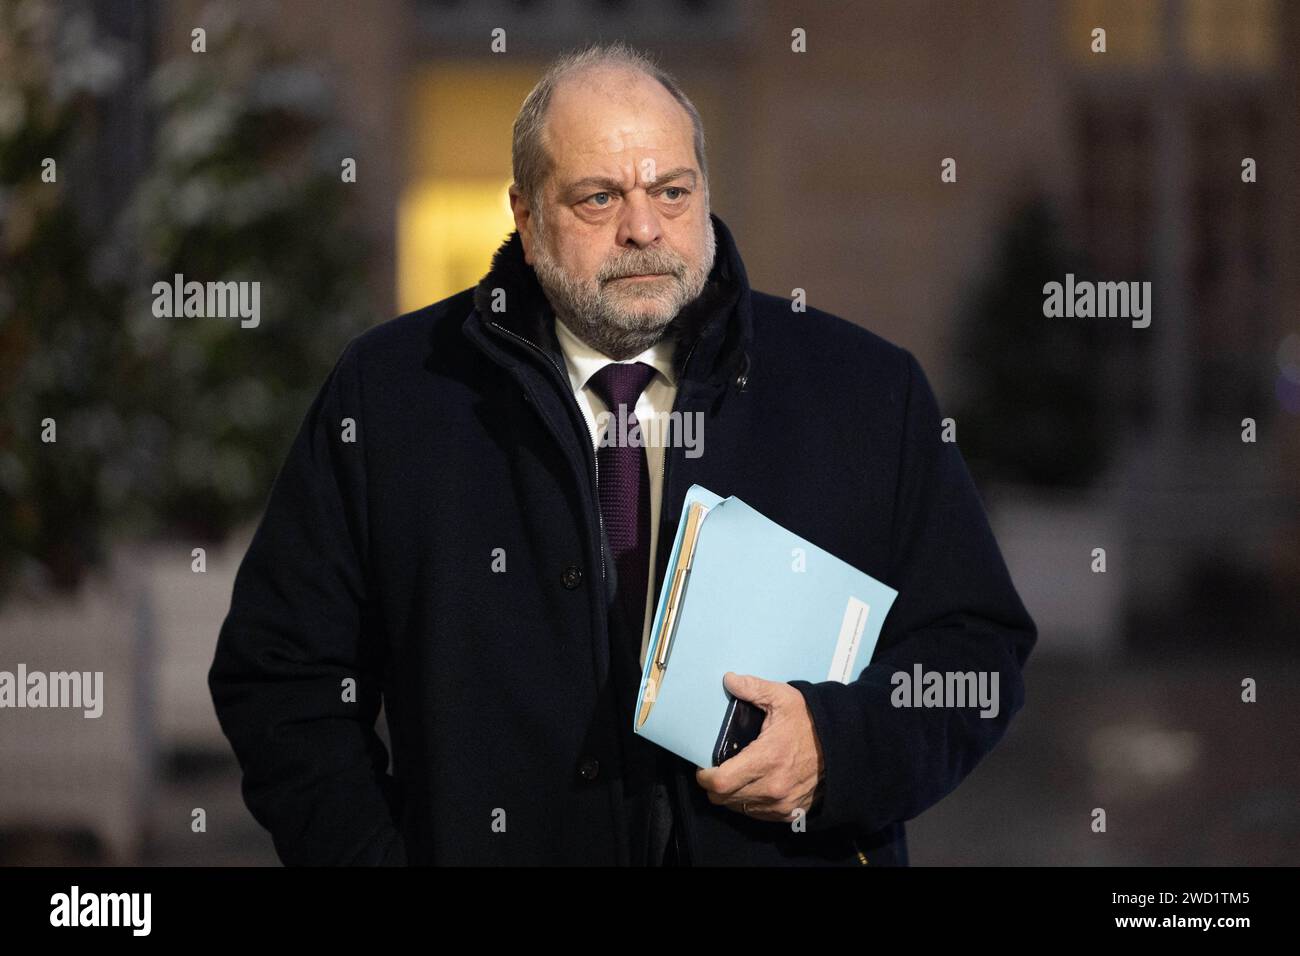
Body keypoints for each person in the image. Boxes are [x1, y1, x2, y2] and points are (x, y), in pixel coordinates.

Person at [208, 41, 1036, 866]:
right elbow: (282, 677)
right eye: (599, 198)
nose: (645, 229)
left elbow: (975, 649)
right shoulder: (391, 394)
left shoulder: (864, 391)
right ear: (526, 219)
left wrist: (841, 747)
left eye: (672, 192)